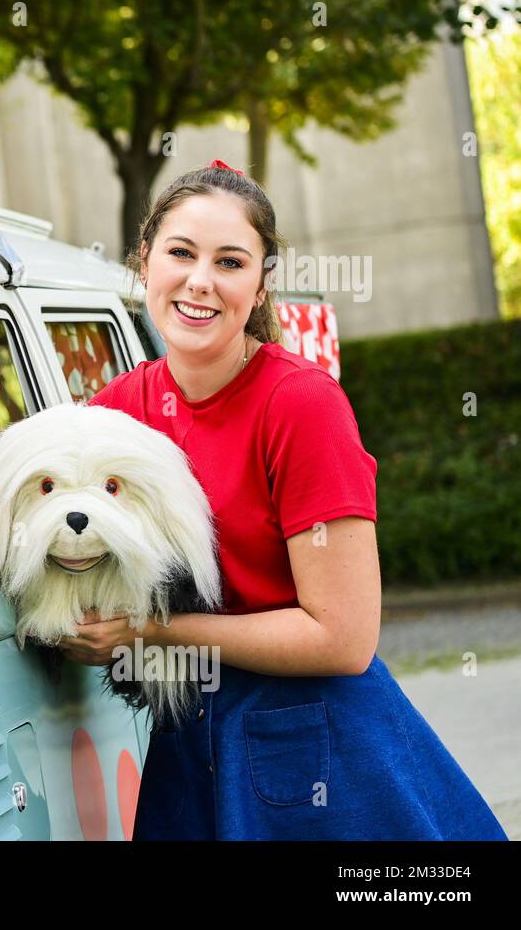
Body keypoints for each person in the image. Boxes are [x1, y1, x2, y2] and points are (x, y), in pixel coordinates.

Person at [64, 159, 507, 840]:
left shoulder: (301, 405)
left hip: (323, 751)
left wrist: (149, 631)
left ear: (262, 284)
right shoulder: (115, 412)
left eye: (231, 262)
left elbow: (344, 637)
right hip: (188, 744)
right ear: (144, 260)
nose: (200, 281)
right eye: (180, 253)